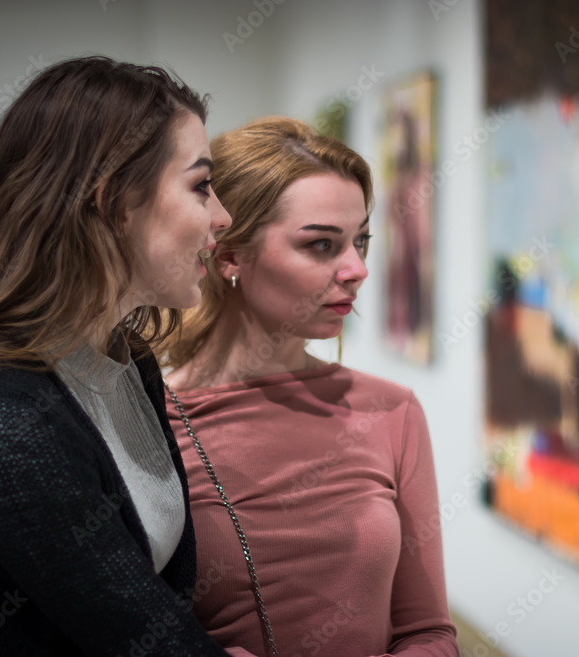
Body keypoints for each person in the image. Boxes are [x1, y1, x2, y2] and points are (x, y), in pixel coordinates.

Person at [0, 56, 254, 656]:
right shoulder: (2, 419)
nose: (222, 218)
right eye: (200, 186)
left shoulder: (126, 361)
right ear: (112, 203)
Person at [160, 117, 459, 657]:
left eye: (360, 241)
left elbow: (429, 632)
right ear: (229, 255)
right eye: (321, 245)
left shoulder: (391, 411)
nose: (357, 269)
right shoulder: (151, 421)